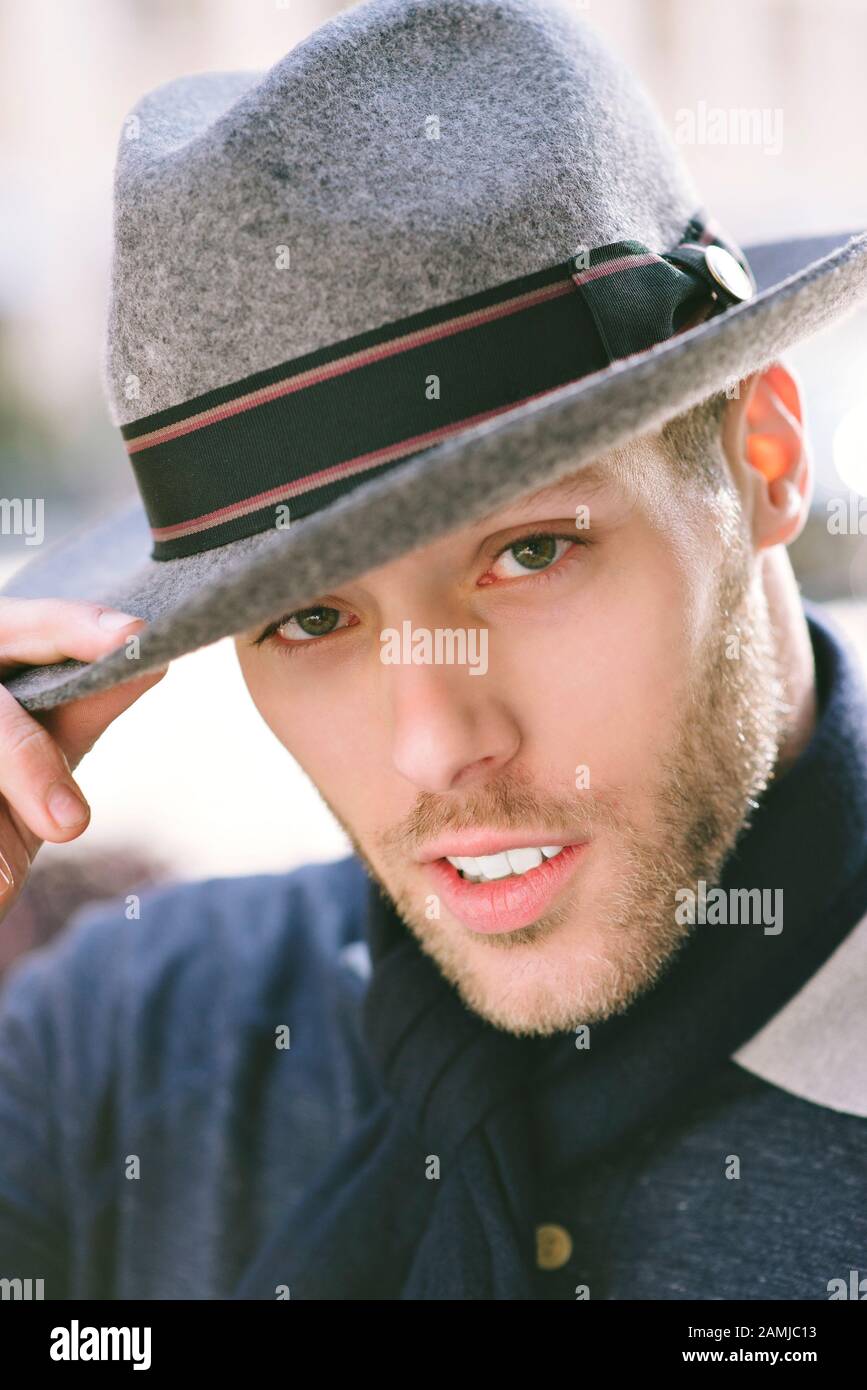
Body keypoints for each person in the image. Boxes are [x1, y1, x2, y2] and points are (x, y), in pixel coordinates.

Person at [1, 0, 866, 1301]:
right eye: (309, 615)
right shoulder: (124, 1045)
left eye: (531, 552)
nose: (437, 743)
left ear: (765, 462)